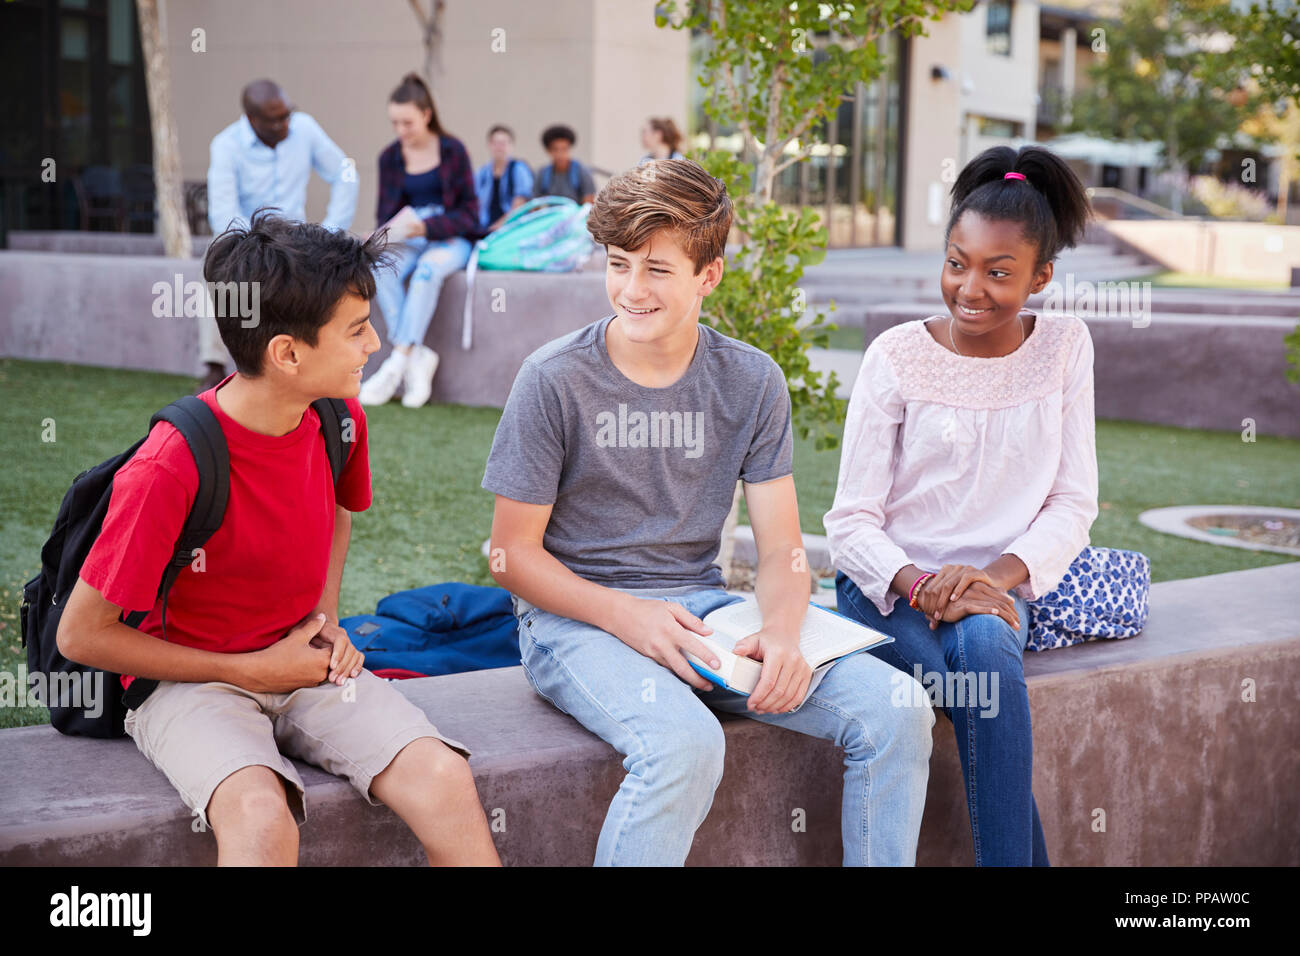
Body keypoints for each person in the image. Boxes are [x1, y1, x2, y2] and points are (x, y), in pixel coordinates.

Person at [482, 159, 935, 867]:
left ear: (709, 275)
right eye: (618, 263)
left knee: (897, 714)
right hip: (575, 623)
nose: (632, 290)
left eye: (657, 270)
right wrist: (626, 615)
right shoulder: (553, 379)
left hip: (704, 612)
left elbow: (784, 549)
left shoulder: (751, 380)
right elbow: (510, 556)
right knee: (685, 746)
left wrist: (784, 635)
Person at [56, 211, 500, 867]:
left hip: (303, 661)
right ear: (287, 353)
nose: (375, 343)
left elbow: (341, 512)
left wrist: (321, 617)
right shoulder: (169, 465)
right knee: (261, 817)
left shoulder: (336, 419)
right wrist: (248, 671)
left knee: (443, 779)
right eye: (356, 331)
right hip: (190, 684)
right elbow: (81, 636)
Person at [825, 144, 1098, 867]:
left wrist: (991, 581)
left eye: (999, 272)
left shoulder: (1067, 349)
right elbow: (850, 520)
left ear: (1041, 276)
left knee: (981, 645)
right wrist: (920, 582)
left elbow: (1073, 501)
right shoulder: (895, 355)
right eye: (957, 262)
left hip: (1000, 592)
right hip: (887, 590)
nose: (970, 287)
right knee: (983, 685)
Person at [201, 79, 359, 392]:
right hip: (245, 237)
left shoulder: (305, 128)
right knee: (214, 267)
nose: (286, 123)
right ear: (252, 120)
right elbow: (223, 213)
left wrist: (330, 230)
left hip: (297, 238)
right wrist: (254, 248)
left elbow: (345, 172)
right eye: (276, 120)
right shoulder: (226, 145)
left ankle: (312, 363)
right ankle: (215, 366)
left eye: (288, 114)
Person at [360, 73, 480, 409]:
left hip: (450, 239)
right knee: (380, 269)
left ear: (427, 115)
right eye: (394, 123)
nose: (401, 131)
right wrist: (389, 232)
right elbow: (385, 215)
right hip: (407, 239)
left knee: (428, 271)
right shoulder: (389, 158)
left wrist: (426, 226)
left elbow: (470, 215)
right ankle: (417, 357)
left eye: (407, 122)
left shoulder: (453, 151)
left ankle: (396, 363)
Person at [473, 124, 534, 234]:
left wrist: (497, 227)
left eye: (503, 143)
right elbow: (475, 202)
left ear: (511, 145)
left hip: (512, 228)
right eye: (496, 143)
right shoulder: (482, 173)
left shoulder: (519, 169)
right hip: (484, 226)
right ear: (489, 145)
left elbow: (519, 205)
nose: (499, 147)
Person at [534, 124, 596, 205]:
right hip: (551, 216)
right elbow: (535, 204)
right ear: (548, 151)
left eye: (564, 149)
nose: (560, 154)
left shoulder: (581, 172)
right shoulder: (542, 174)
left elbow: (589, 203)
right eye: (555, 149)